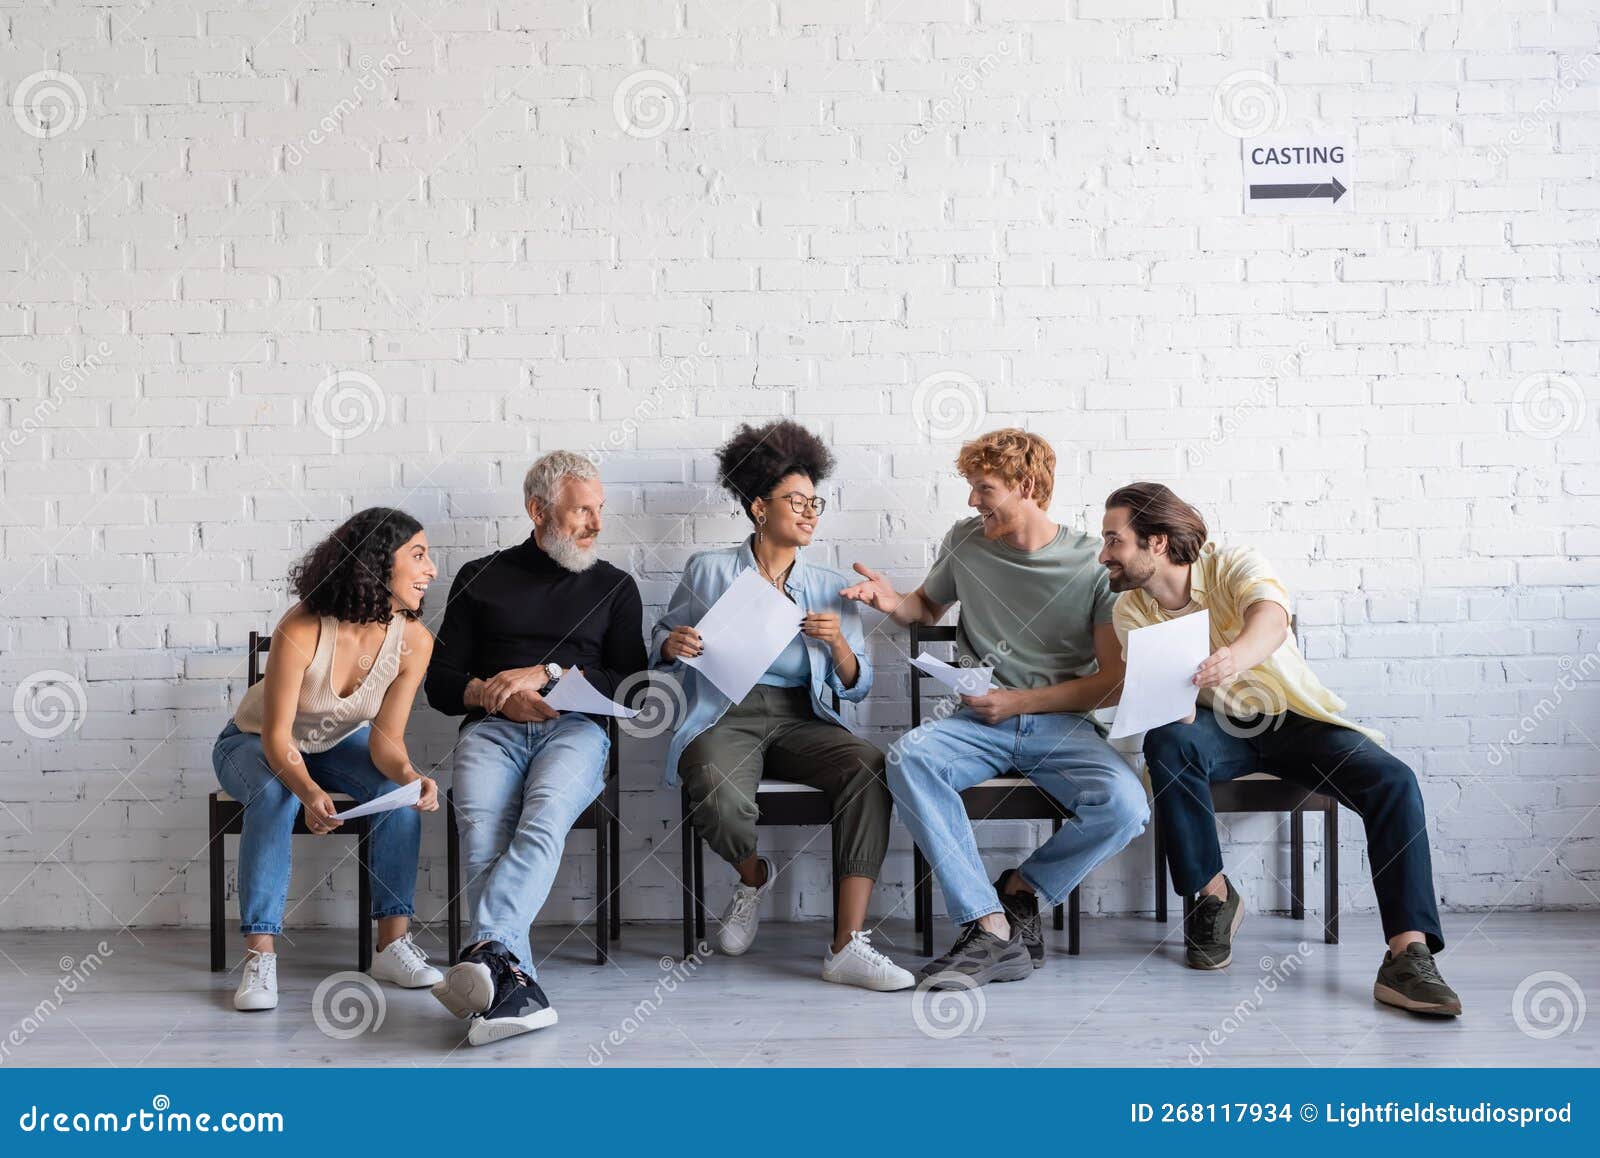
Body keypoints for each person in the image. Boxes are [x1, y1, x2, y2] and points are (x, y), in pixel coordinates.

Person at [1099, 481, 1461, 1016]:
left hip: (1293, 719)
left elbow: (1270, 617)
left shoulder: (1231, 562)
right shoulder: (1131, 611)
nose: (1104, 555)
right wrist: (1161, 702)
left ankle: (1408, 956)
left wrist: (1233, 657)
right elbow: (1166, 699)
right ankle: (1215, 897)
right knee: (1167, 740)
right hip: (1216, 728)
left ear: (1156, 542)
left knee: (1394, 779)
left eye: (1114, 541)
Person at [844, 428, 1148, 989]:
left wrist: (1022, 701)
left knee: (1126, 807)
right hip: (977, 722)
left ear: (1026, 486)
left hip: (1063, 726)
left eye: (983, 489)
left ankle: (1021, 892)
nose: (972, 502)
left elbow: (1110, 683)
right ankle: (987, 925)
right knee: (910, 756)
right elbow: (926, 605)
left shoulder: (1091, 564)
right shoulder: (966, 541)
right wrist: (894, 601)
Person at [652, 420, 914, 991]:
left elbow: (857, 686)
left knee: (869, 767)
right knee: (715, 793)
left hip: (802, 717)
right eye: (794, 501)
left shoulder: (829, 585)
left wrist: (839, 643)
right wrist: (673, 643)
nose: (809, 512)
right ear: (757, 508)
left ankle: (846, 946)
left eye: (814, 502)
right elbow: (663, 641)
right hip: (728, 711)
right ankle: (753, 877)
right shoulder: (709, 569)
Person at [425, 450, 646, 1046]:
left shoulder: (615, 587)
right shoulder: (479, 576)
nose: (596, 524)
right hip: (491, 731)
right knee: (482, 834)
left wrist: (546, 673)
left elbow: (634, 687)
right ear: (538, 510)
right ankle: (513, 987)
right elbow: (440, 684)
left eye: (599, 510)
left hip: (575, 730)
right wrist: (494, 696)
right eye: (582, 511)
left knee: (544, 817)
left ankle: (489, 960)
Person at [212, 507, 442, 1012]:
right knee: (276, 795)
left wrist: (411, 776)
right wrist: (308, 791)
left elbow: (386, 742)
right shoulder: (303, 626)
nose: (432, 570)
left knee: (395, 794)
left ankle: (391, 945)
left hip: (334, 743)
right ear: (379, 565)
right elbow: (275, 739)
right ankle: (259, 955)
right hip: (251, 743)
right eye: (419, 557)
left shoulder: (415, 642)